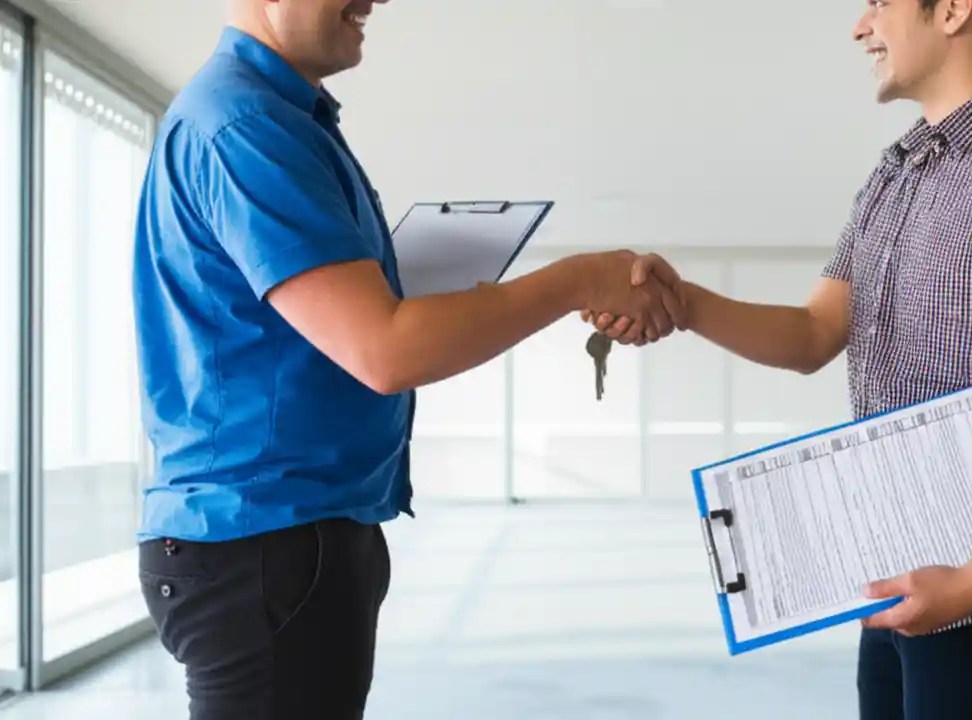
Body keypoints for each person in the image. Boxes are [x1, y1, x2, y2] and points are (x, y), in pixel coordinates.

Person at [131, 1, 682, 718]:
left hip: (287, 532)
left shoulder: (276, 118)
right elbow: (383, 350)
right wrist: (579, 279)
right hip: (265, 539)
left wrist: (396, 288)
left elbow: (319, 325)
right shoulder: (249, 128)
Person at [587, 0, 972, 717]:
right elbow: (814, 332)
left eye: (879, 1)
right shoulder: (897, 170)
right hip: (903, 565)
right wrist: (681, 303)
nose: (859, 25)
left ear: (955, 9)